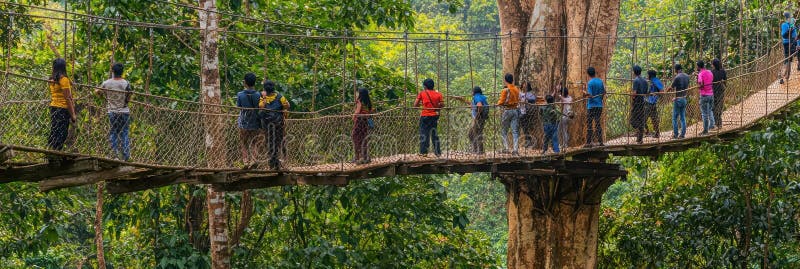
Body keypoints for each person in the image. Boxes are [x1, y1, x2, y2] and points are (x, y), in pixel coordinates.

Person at [98, 63, 133, 161]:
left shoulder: (106, 83)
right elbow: (130, 94)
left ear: (112, 71)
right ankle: (126, 156)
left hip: (112, 112)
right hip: (124, 111)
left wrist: (104, 96)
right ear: (122, 72)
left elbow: (97, 92)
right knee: (124, 133)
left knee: (114, 132)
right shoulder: (126, 83)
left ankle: (115, 155)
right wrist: (126, 101)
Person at [47, 58, 77, 165]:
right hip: (62, 109)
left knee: (55, 130)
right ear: (64, 67)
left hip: (53, 107)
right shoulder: (64, 80)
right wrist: (73, 114)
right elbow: (68, 98)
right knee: (62, 132)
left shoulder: (51, 79)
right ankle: (56, 154)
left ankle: (51, 151)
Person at [259, 80, 290, 170]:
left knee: (270, 144)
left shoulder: (262, 97)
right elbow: (287, 105)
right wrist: (283, 110)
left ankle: (272, 165)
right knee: (280, 142)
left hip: (267, 126)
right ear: (274, 88)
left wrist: (264, 97)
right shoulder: (280, 97)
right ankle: (282, 162)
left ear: (265, 89)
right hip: (279, 125)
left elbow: (261, 106)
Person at [235, 73, 262, 164]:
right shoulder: (258, 95)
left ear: (245, 82)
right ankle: (254, 160)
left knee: (243, 142)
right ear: (254, 83)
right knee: (254, 142)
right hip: (255, 122)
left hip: (244, 122)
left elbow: (239, 107)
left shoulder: (240, 94)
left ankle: (245, 161)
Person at [414, 78, 444, 157]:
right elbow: (442, 105)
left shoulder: (422, 93)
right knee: (434, 133)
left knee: (424, 133)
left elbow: (415, 105)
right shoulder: (439, 94)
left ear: (425, 86)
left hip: (425, 116)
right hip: (434, 116)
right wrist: (436, 107)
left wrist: (422, 104)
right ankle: (438, 152)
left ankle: (423, 152)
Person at [497, 73, 521, 155]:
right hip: (515, 110)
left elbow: (501, 102)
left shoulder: (505, 90)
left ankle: (506, 148)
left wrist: (498, 103)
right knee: (515, 131)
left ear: (505, 80)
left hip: (507, 110)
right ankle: (515, 150)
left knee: (504, 131)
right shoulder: (516, 89)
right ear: (512, 80)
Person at [583, 67, 605, 148]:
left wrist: (584, 92)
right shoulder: (600, 81)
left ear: (588, 74)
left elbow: (590, 95)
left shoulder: (590, 83)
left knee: (589, 124)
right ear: (595, 73)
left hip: (591, 106)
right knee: (598, 123)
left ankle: (589, 142)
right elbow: (604, 92)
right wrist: (599, 99)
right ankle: (600, 141)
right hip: (599, 105)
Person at [352, 88, 374, 164]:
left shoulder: (359, 102)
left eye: (357, 93)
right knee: (364, 138)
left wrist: (353, 116)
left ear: (360, 94)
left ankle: (357, 157)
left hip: (359, 122)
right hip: (365, 122)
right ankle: (365, 157)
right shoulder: (368, 103)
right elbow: (370, 112)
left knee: (355, 137)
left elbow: (357, 112)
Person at [668, 64, 690, 139]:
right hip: (684, 98)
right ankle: (682, 135)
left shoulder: (677, 77)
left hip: (678, 99)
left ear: (676, 70)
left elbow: (671, 87)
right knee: (683, 117)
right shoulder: (687, 76)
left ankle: (675, 134)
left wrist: (666, 92)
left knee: (674, 118)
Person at [630, 65, 648, 144]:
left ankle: (640, 133)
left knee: (633, 120)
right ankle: (640, 139)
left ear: (634, 72)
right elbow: (646, 92)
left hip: (637, 102)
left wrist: (632, 98)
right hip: (643, 101)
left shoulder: (636, 80)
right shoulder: (645, 81)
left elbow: (634, 93)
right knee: (641, 119)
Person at [468, 86, 489, 154]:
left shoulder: (477, 97)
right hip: (482, 118)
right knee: (476, 133)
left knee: (473, 134)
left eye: (472, 91)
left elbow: (479, 106)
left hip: (478, 119)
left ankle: (478, 150)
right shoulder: (481, 97)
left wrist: (477, 116)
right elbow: (475, 105)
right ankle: (478, 150)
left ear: (474, 92)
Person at [697, 60, 715, 134]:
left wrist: (699, 87)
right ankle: (712, 125)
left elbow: (700, 84)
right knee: (710, 110)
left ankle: (705, 130)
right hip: (711, 94)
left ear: (698, 66)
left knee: (704, 114)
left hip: (704, 95)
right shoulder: (710, 72)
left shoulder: (700, 74)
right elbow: (710, 80)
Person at [519, 82, 538, 150]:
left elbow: (533, 99)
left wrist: (527, 100)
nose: (524, 87)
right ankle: (528, 142)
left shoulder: (530, 93)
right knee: (525, 128)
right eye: (523, 85)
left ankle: (529, 142)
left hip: (528, 112)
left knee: (526, 128)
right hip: (523, 111)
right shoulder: (521, 93)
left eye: (525, 85)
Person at [780, 11, 797, 84]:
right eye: (791, 17)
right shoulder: (784, 25)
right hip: (788, 44)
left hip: (793, 42)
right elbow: (784, 35)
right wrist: (791, 28)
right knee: (787, 60)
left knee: (789, 60)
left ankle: (786, 76)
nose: (792, 18)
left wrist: (792, 26)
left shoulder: (790, 24)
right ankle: (782, 76)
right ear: (788, 18)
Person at [645, 69, 663, 138]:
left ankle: (649, 132)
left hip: (651, 102)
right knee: (652, 118)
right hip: (649, 101)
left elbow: (661, 90)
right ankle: (653, 132)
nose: (647, 76)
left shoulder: (656, 81)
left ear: (650, 75)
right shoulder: (652, 81)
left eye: (647, 75)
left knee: (648, 118)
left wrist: (655, 94)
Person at [554, 85, 573, 149]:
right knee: (560, 130)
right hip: (563, 117)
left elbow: (567, 101)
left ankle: (565, 144)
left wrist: (561, 97)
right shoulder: (568, 98)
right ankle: (563, 144)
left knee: (563, 130)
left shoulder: (568, 98)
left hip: (565, 117)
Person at [711, 59, 727, 129]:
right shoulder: (723, 71)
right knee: (719, 107)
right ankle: (719, 123)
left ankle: (716, 123)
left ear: (713, 65)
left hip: (713, 91)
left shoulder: (712, 72)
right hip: (721, 91)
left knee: (714, 108)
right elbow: (725, 80)